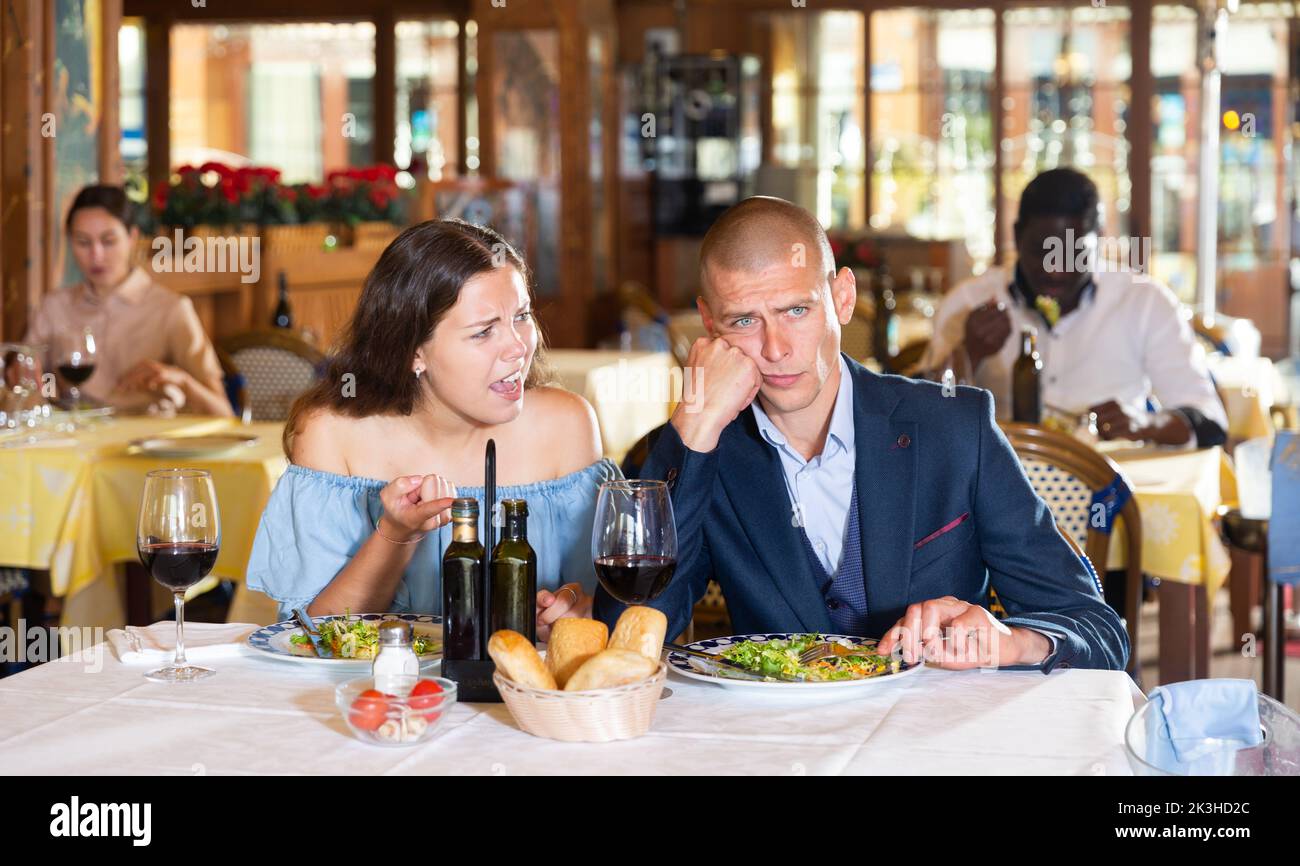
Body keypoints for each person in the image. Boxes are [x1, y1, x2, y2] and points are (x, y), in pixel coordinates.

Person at [595, 196, 1128, 672]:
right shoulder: (696, 449)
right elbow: (624, 642)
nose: (776, 348)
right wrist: (695, 427)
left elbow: (1096, 629)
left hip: (937, 737)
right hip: (782, 741)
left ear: (842, 298)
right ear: (709, 324)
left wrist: (1010, 642)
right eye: (744, 322)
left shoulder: (956, 428)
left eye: (796, 310)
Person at [247, 219, 618, 640]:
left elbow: (602, 597)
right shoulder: (331, 433)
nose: (518, 347)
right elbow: (314, 636)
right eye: (484, 331)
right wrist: (396, 535)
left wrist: (575, 607)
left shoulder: (567, 425)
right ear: (413, 351)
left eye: (522, 316)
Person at [923, 168, 1227, 446]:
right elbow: (919, 418)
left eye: (1073, 254)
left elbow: (1210, 422)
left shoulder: (1145, 302)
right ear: (1016, 237)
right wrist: (969, 352)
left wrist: (1146, 423)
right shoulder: (967, 302)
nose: (1055, 270)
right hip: (993, 478)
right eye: (1042, 252)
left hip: (1110, 482)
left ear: (1100, 240)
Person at [25, 185, 233, 416]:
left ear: (132, 237)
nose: (96, 255)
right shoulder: (54, 307)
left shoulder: (171, 309)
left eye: (108, 241)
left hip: (150, 434)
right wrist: (32, 384)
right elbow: (28, 385)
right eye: (83, 242)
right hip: (72, 434)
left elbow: (223, 412)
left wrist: (181, 381)